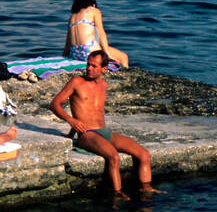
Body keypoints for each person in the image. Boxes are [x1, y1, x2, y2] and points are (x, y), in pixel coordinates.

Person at [50, 49, 159, 199]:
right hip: (87, 135)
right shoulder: (76, 82)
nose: (89, 68)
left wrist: (70, 131)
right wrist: (71, 121)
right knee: (114, 157)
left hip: (104, 132)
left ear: (104, 69)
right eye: (88, 65)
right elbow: (55, 104)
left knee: (144, 154)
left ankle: (146, 189)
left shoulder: (104, 85)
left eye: (94, 66)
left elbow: (87, 110)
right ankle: (118, 194)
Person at [64, 0, 129, 67]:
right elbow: (101, 33)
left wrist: (64, 56)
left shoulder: (72, 16)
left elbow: (68, 41)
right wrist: (107, 54)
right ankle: (126, 76)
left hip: (75, 53)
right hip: (89, 52)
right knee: (124, 57)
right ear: (92, 3)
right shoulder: (94, 11)